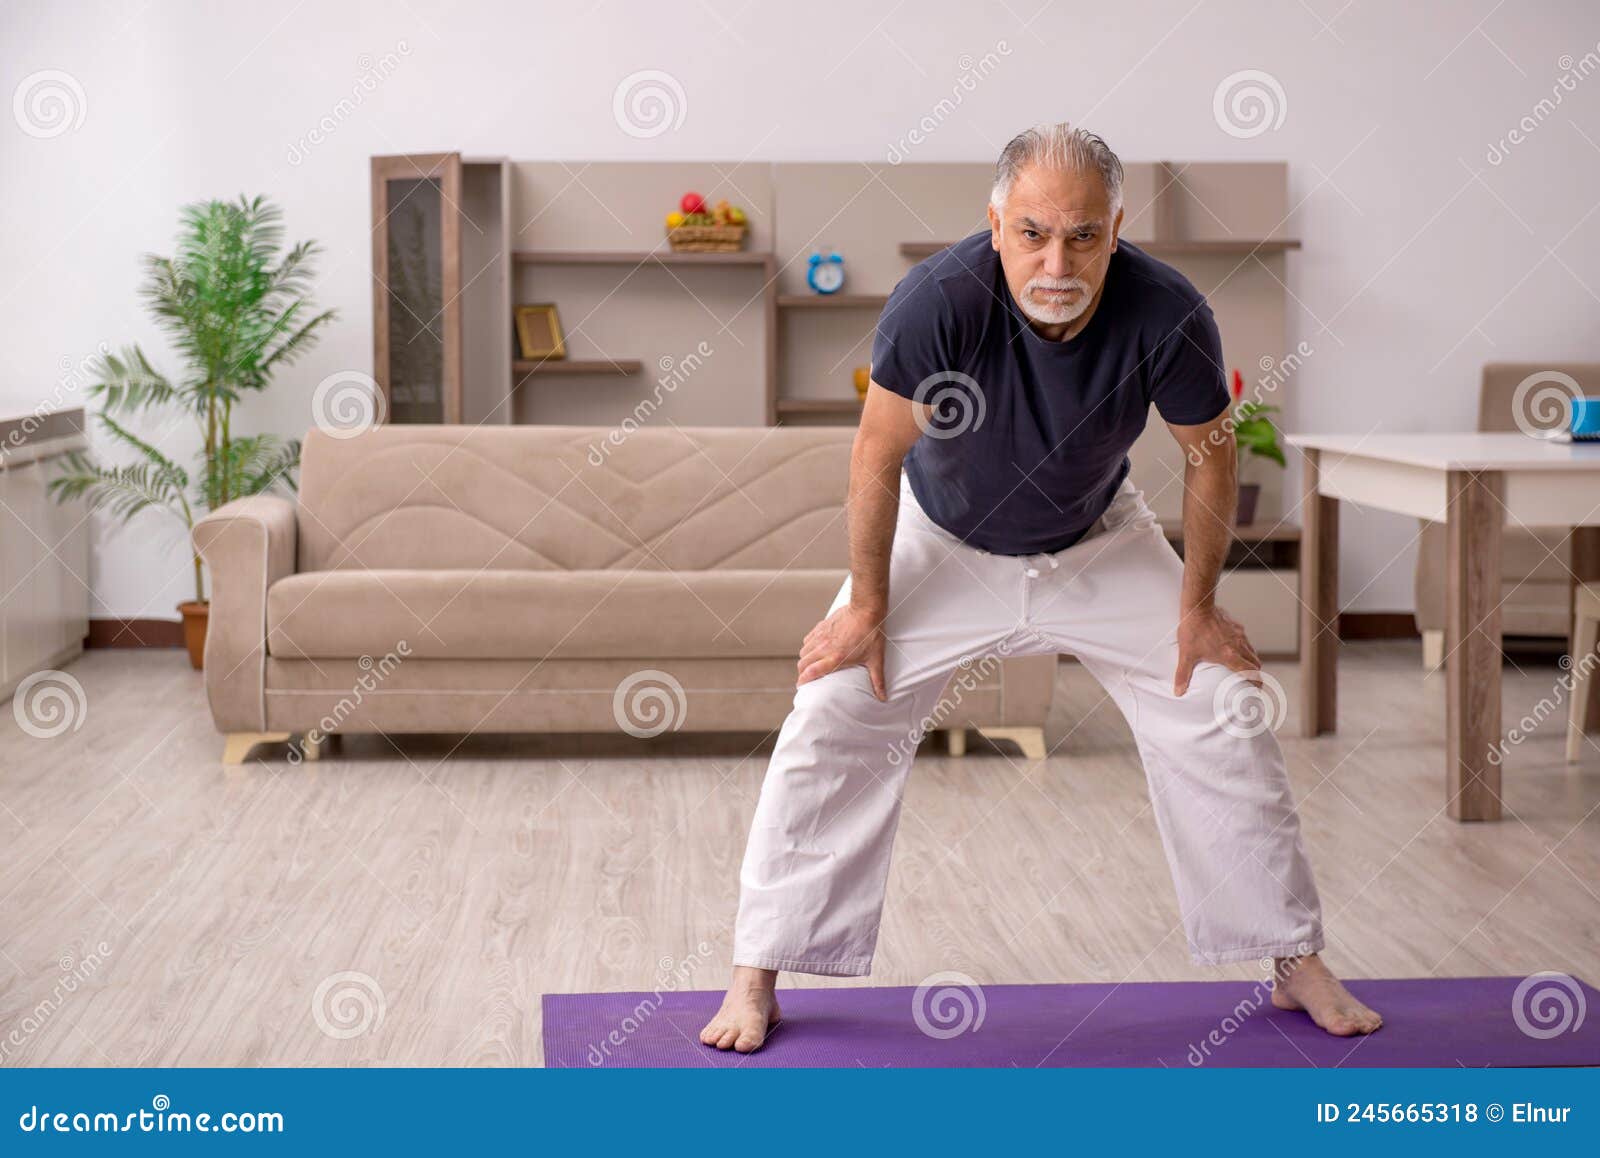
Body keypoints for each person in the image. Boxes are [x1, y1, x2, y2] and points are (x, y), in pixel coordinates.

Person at [700, 123, 1383, 1053]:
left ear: (1117, 227)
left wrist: (1196, 609)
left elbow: (1210, 455)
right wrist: (866, 610)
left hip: (1097, 539)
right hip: (942, 541)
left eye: (1083, 236)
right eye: (1033, 233)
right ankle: (757, 974)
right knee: (829, 712)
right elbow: (876, 452)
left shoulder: (1164, 308)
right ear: (995, 224)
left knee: (1223, 705)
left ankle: (1292, 958)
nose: (1057, 260)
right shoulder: (936, 302)